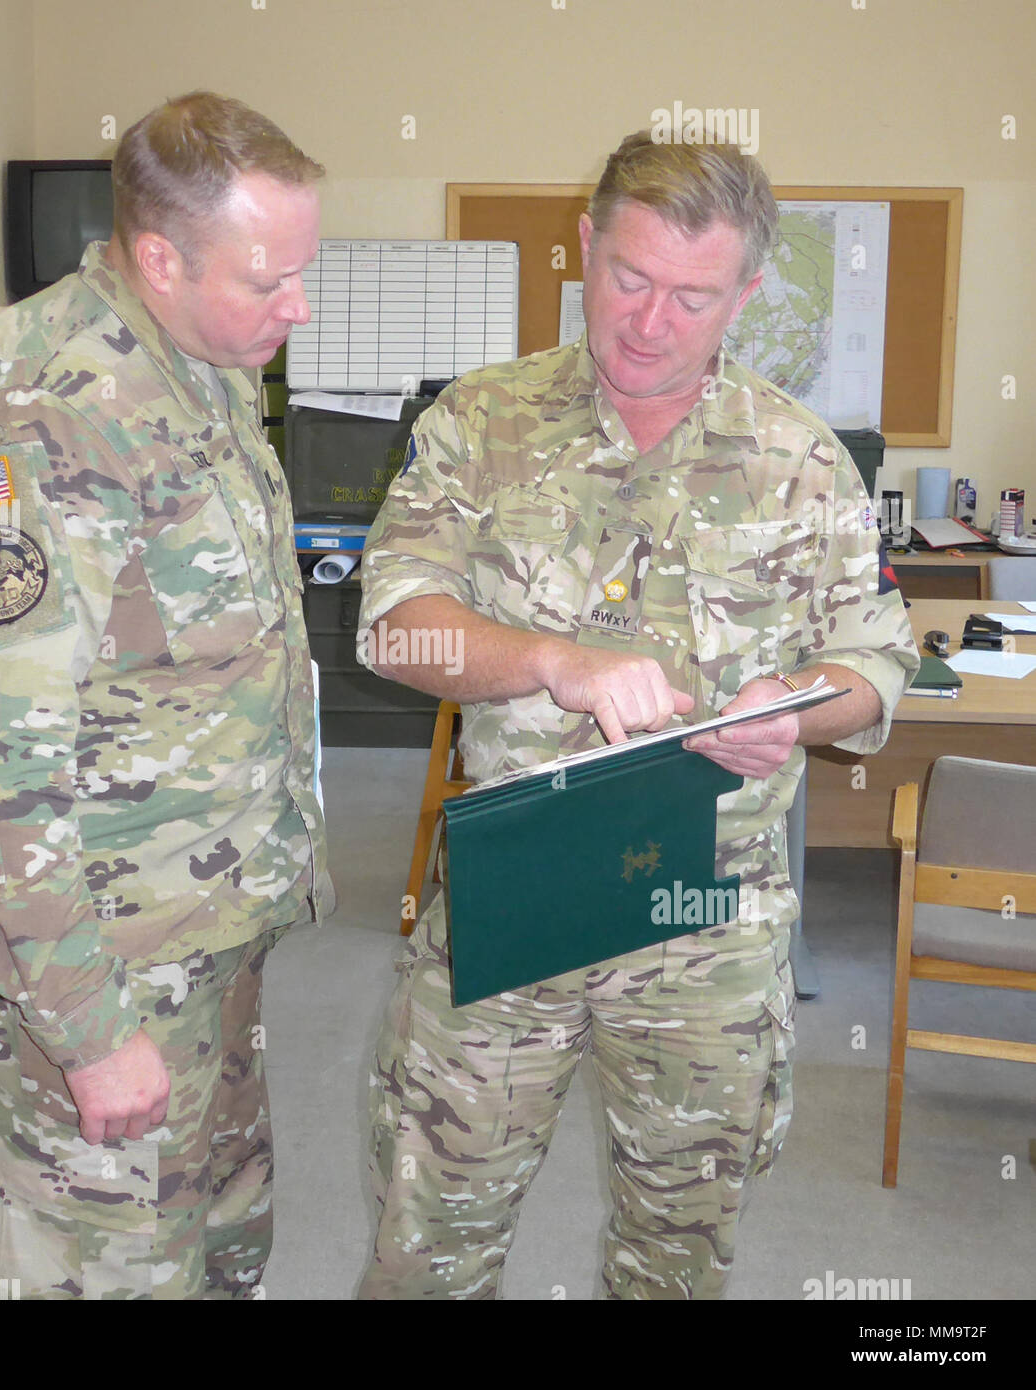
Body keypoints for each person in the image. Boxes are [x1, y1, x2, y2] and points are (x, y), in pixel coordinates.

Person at [355, 131, 919, 1299]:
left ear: (747, 295)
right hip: (514, 894)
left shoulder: (802, 463)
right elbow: (394, 628)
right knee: (429, 1246)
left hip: (703, 914)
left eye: (692, 295)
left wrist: (799, 711)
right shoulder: (479, 423)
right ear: (583, 247)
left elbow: (874, 659)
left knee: (674, 1260)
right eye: (627, 277)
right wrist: (553, 661)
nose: (650, 321)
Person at [0, 91, 329, 1300]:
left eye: (306, 271)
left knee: (212, 1259)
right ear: (158, 255)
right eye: (268, 280)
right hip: (88, 975)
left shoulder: (203, 367)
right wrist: (88, 1029)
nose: (295, 307)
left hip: (202, 946)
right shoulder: (40, 405)